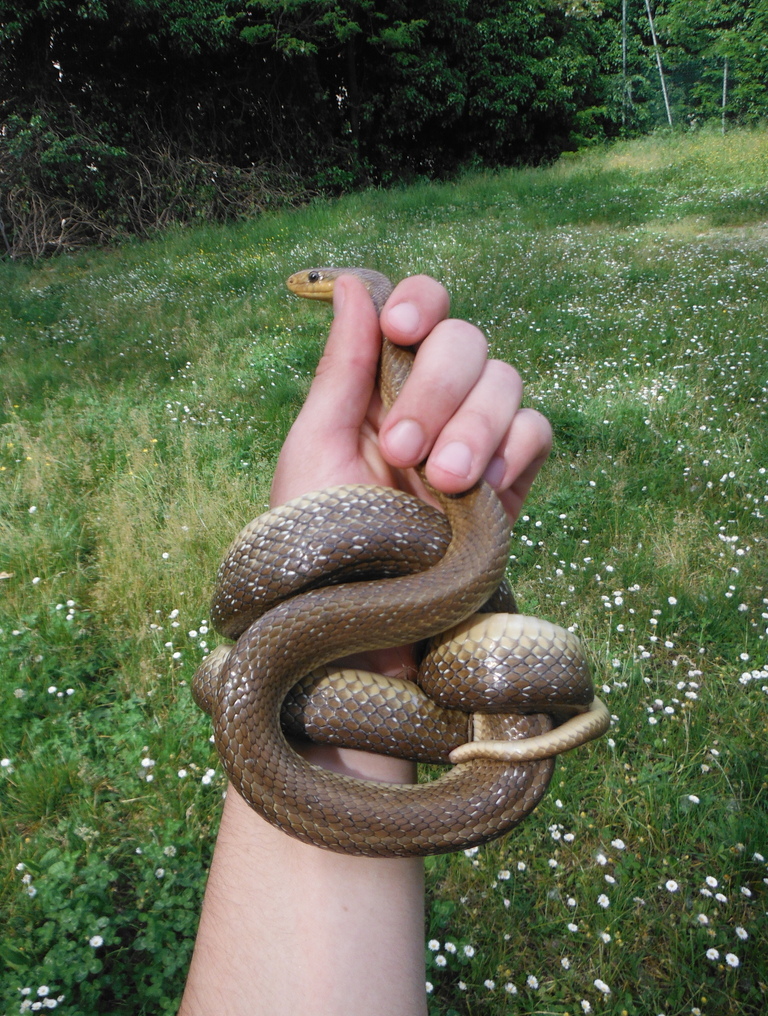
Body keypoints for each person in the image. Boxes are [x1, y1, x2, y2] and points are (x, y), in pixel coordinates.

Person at [178, 273, 553, 1016]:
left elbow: (244, 664)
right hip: (349, 629)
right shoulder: (443, 557)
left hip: (361, 622)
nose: (303, 284)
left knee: (229, 677)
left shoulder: (455, 549)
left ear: (363, 298)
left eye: (322, 277)